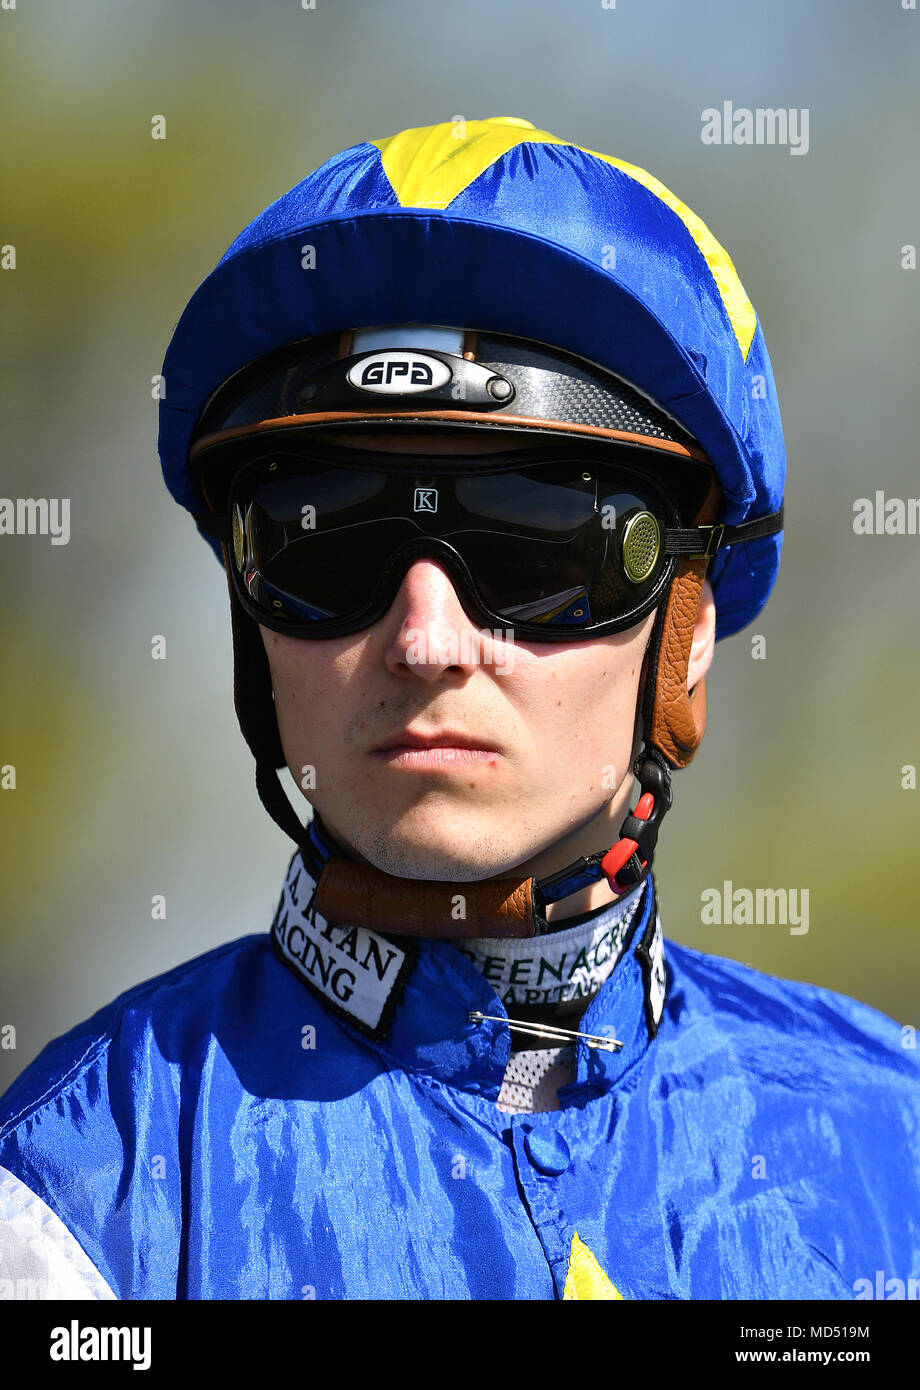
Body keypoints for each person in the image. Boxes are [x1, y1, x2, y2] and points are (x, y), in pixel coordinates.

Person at [1, 117, 917, 1302]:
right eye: (320, 547)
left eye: (534, 544)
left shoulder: (893, 1151)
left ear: (682, 625)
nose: (426, 643)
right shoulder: (69, 1200)